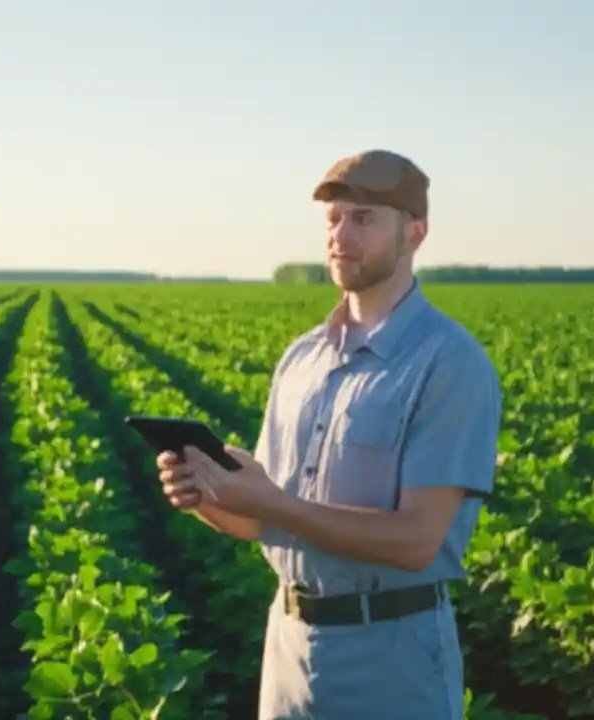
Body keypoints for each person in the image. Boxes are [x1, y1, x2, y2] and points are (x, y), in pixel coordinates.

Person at [156, 148, 502, 719]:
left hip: (391, 652)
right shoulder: (302, 359)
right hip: (289, 646)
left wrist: (274, 503)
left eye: (363, 218)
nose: (341, 235)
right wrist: (207, 497)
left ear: (415, 233)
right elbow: (264, 519)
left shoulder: (448, 363)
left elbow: (417, 541)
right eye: (333, 219)